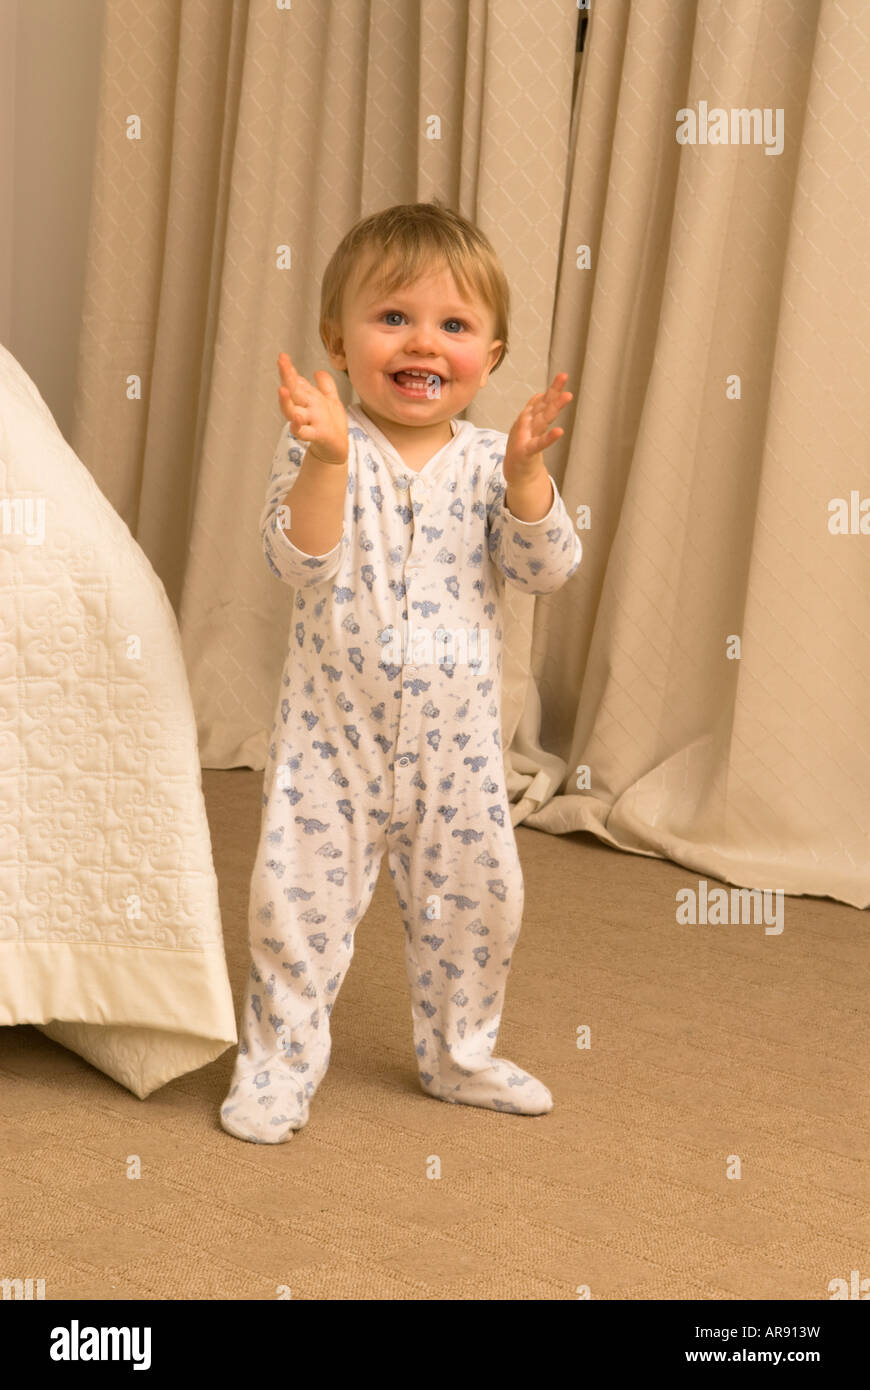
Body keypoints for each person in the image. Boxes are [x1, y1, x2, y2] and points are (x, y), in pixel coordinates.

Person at [220, 200, 582, 1143]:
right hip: (328, 747)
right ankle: (277, 1068)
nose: (424, 341)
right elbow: (297, 561)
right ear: (339, 340)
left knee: (483, 906)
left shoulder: (488, 464)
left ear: (491, 356)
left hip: (457, 757)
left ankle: (460, 1054)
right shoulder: (323, 448)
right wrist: (328, 460)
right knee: (292, 915)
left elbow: (546, 570)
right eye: (394, 318)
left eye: (454, 326)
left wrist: (530, 480)